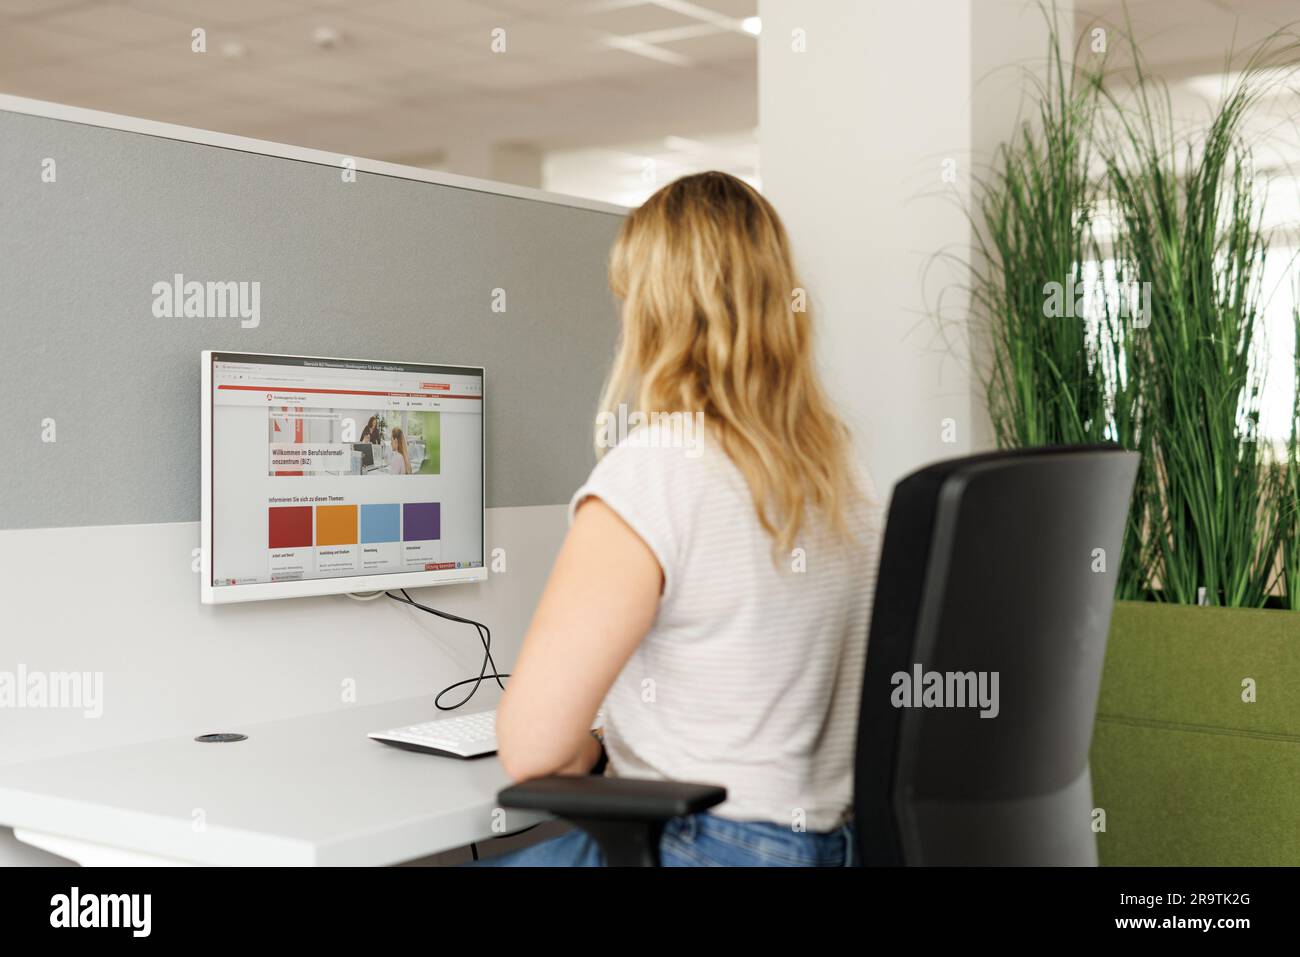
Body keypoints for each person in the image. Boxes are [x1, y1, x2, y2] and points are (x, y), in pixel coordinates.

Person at [489, 171, 883, 867]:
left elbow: (532, 750)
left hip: (705, 847)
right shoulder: (840, 475)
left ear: (652, 312)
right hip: (834, 848)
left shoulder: (657, 469)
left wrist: (598, 742)